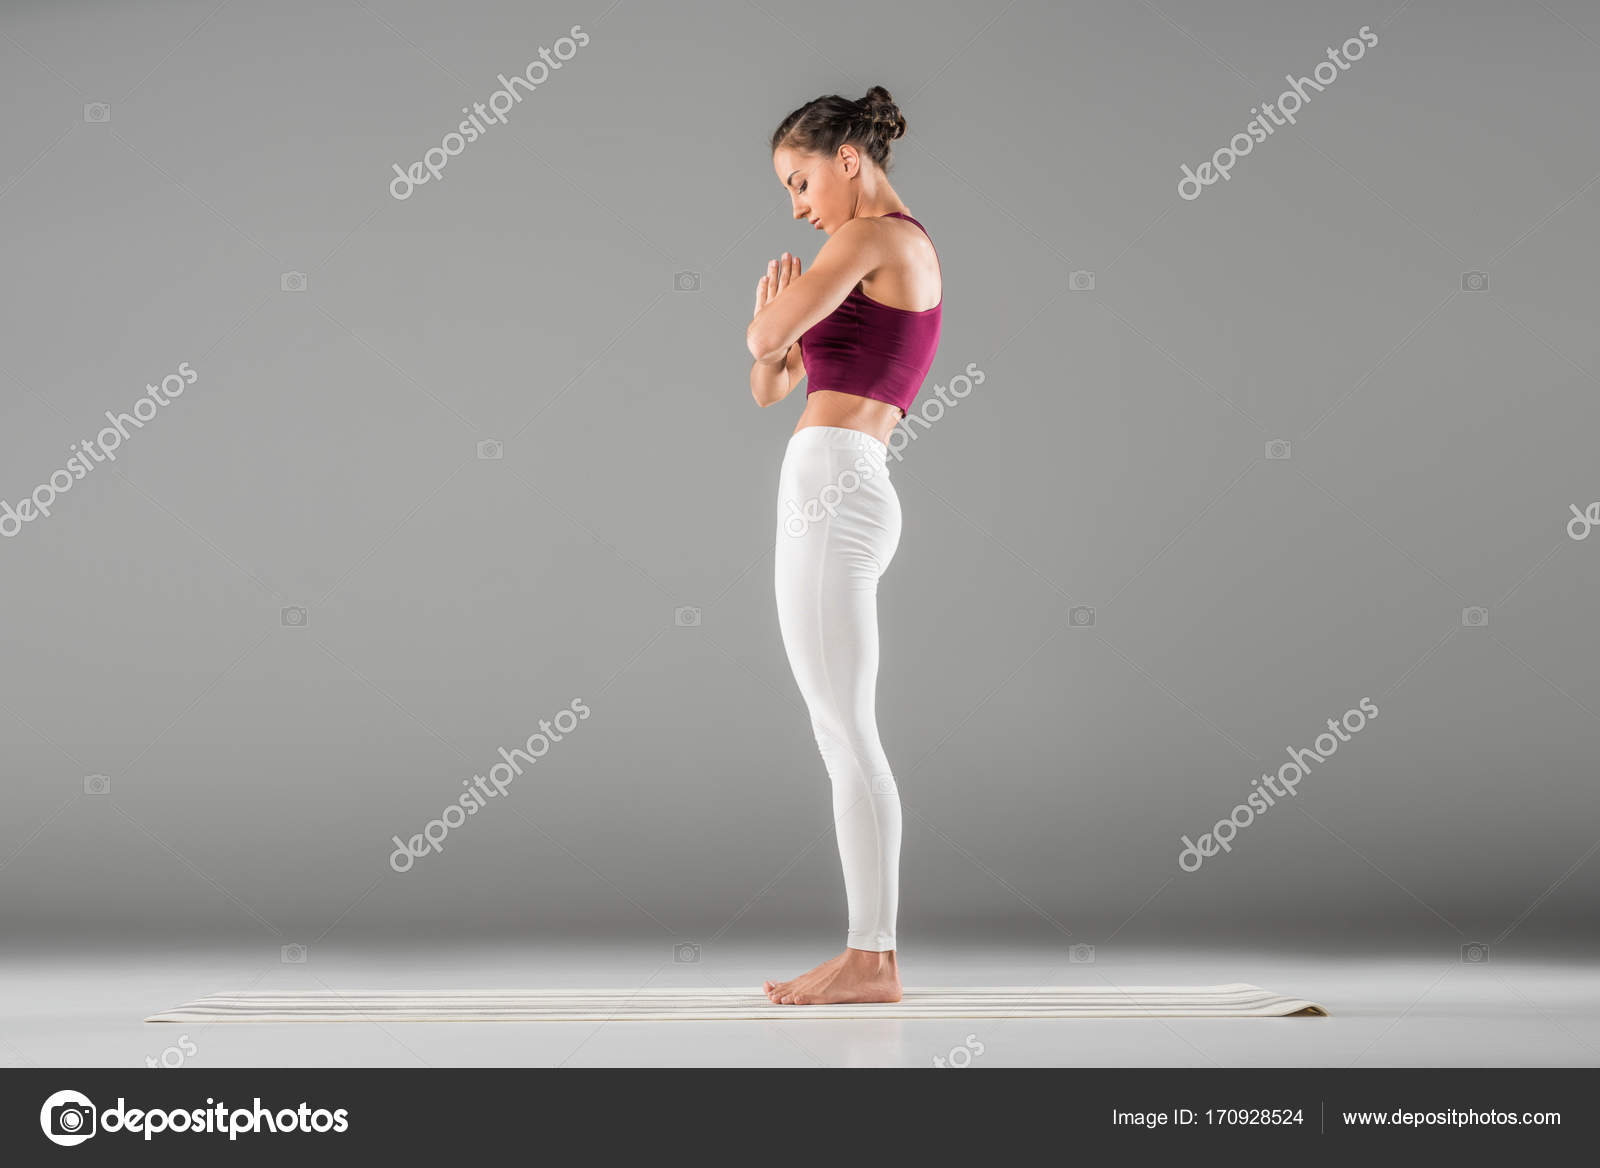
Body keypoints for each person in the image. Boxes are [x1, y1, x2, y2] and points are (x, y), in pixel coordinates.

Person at [746, 85, 943, 1005]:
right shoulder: (879, 252)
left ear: (849, 160)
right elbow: (768, 384)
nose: (797, 207)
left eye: (800, 181)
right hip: (843, 484)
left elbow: (762, 338)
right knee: (840, 727)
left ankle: (872, 960)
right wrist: (776, 340)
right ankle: (869, 953)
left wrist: (773, 327)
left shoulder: (870, 238)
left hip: (834, 486)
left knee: (844, 730)